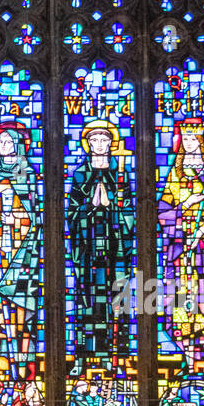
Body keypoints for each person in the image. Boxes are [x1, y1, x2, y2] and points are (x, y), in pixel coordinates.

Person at [66, 119, 134, 378]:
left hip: (116, 251)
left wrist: (112, 207)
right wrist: (89, 208)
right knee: (86, 303)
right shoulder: (80, 174)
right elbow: (71, 212)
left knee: (116, 301)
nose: (99, 144)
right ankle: (83, 359)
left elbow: (130, 212)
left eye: (104, 140)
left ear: (110, 143)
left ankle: (112, 359)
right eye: (94, 140)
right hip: (87, 252)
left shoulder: (120, 173)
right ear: (88, 144)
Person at [158, 117, 204, 378]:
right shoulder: (175, 171)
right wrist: (186, 205)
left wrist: (201, 229)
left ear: (201, 139)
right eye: (184, 138)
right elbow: (163, 211)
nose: (189, 142)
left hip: (203, 250)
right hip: (179, 251)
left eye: (193, 137)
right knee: (179, 308)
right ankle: (187, 360)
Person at [0, 120, 41, 377]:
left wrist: (16, 219)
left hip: (22, 255)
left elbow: (36, 218)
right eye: (1, 143)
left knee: (20, 313)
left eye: (10, 142)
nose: (5, 147)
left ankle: (21, 366)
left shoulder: (29, 176)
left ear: (20, 146)